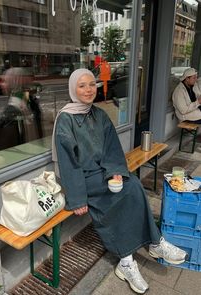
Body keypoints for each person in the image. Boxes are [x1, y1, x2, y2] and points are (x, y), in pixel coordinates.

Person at [52, 69, 187, 294]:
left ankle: (153, 244)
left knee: (132, 186)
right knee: (114, 202)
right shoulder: (66, 119)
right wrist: (77, 198)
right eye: (82, 86)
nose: (88, 90)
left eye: (91, 85)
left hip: (103, 171)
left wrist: (115, 171)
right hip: (82, 178)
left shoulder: (99, 114)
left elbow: (112, 148)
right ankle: (129, 260)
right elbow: (68, 163)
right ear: (73, 89)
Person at [0, 67, 43, 152]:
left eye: (5, 81)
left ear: (13, 84)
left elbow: (1, 146)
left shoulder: (11, 111)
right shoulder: (30, 102)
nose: (2, 85)